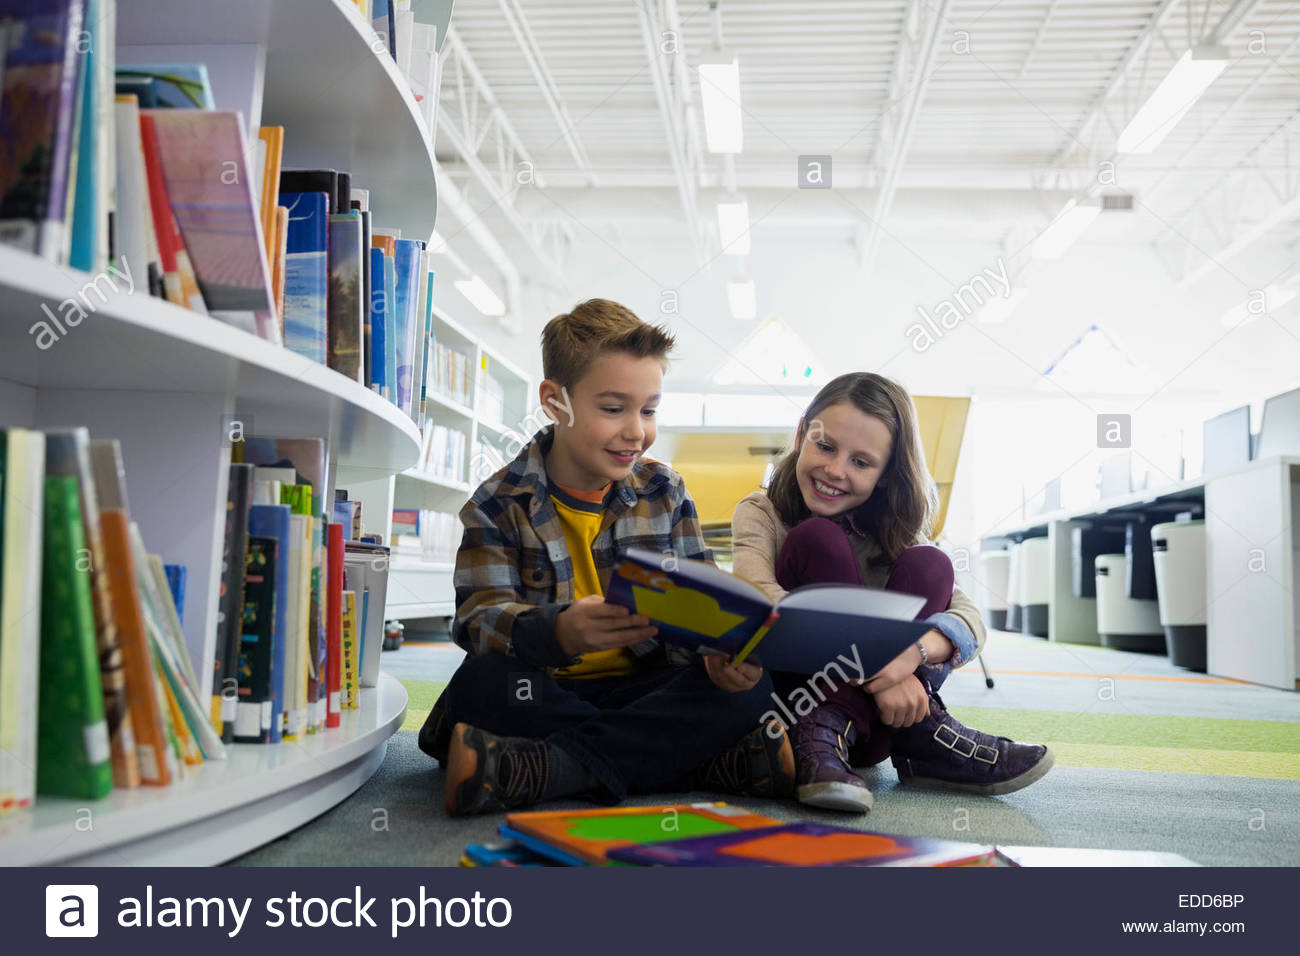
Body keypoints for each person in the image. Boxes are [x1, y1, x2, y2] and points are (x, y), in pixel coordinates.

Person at [418, 299, 793, 815]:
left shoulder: (665, 489)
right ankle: (702, 764)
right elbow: (478, 622)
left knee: (749, 690)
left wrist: (722, 651)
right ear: (556, 402)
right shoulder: (497, 503)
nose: (636, 431)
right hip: (542, 688)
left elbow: (708, 599)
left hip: (644, 690)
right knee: (481, 684)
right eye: (613, 409)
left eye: (649, 409)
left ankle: (541, 768)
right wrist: (557, 631)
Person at [732, 372, 1053, 813]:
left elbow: (969, 618)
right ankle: (913, 738)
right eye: (825, 446)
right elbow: (758, 597)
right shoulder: (760, 511)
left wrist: (908, 658)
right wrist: (877, 670)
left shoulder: (897, 528)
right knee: (816, 539)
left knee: (931, 563)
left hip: (891, 718)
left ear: (885, 475)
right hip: (798, 708)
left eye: (861, 462)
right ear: (802, 433)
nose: (834, 470)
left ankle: (916, 737)